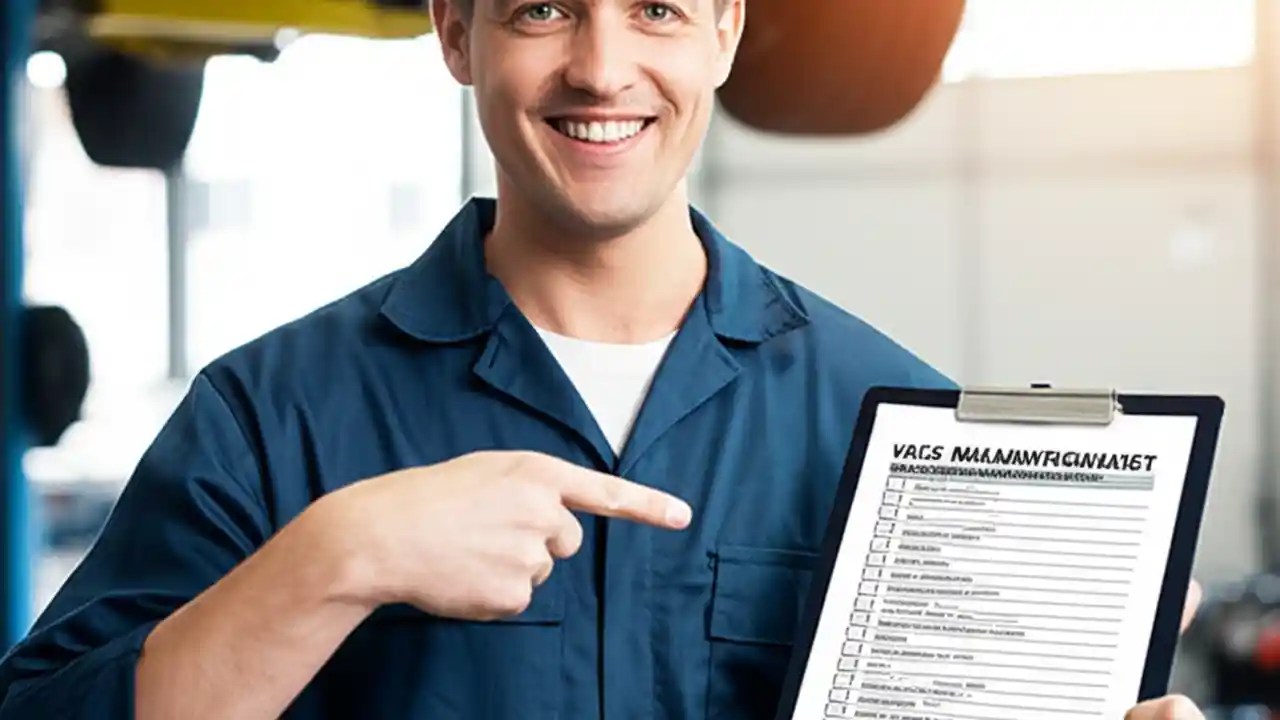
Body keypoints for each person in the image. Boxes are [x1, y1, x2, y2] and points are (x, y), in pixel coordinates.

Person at [0, 0, 1205, 718]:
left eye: (659, 9)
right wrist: (335, 559)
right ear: (454, 32)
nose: (599, 65)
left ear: (726, 31)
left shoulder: (896, 424)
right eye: (541, 8)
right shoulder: (269, 415)